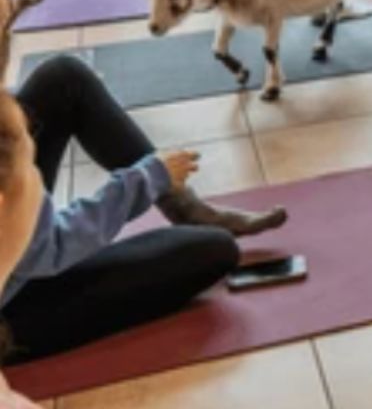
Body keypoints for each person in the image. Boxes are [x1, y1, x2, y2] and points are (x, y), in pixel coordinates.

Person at [0, 55, 287, 366]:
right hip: (12, 308)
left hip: (22, 252)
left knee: (62, 77)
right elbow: (46, 247)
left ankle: (184, 206)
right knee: (214, 249)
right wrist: (146, 179)